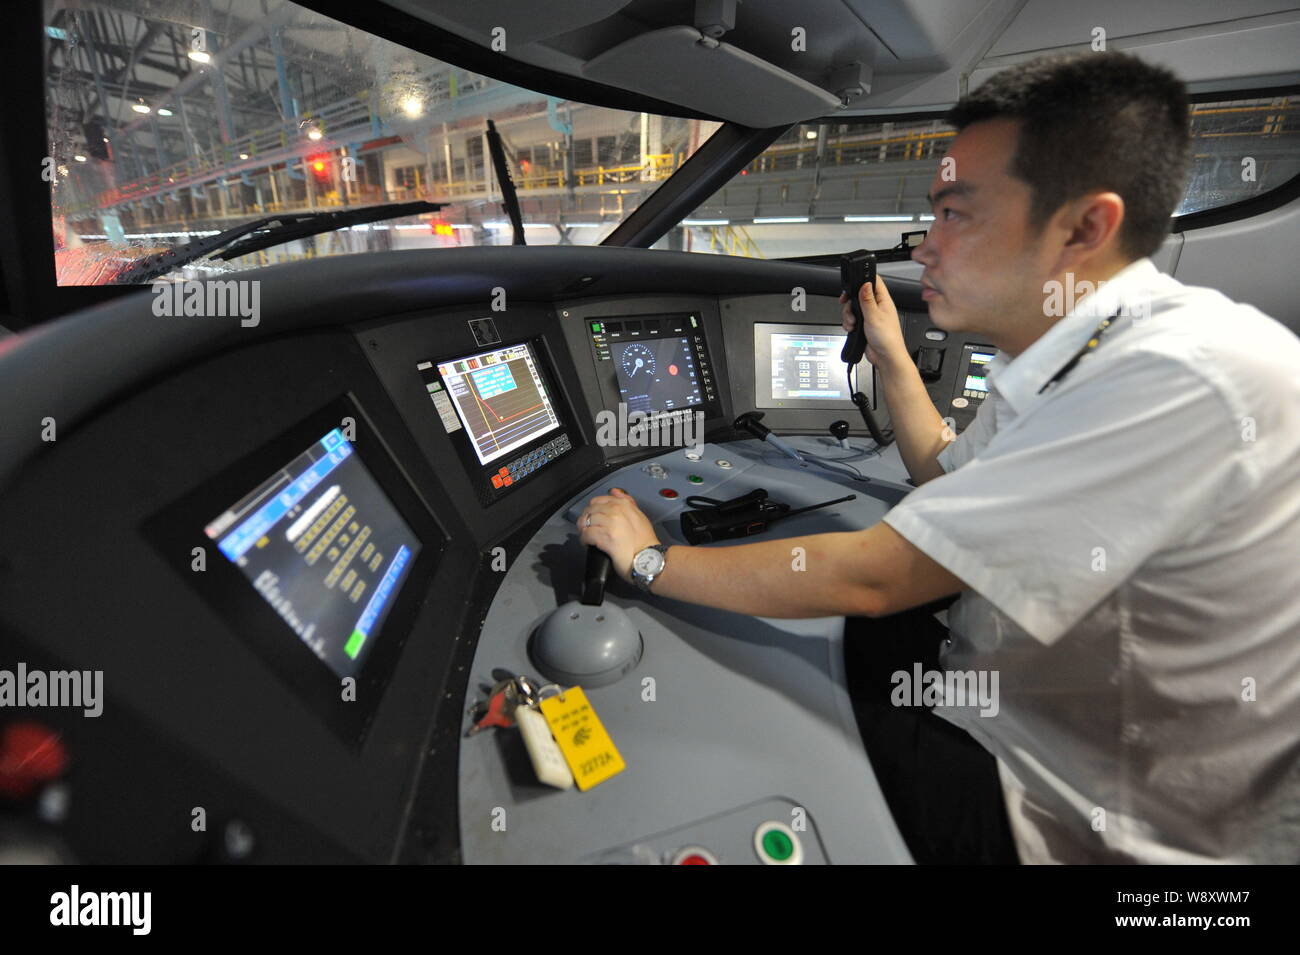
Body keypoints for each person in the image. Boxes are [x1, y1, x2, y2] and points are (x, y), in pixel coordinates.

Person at [578, 50, 1300, 864]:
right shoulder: (1084, 349)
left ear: (1084, 228)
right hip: (1008, 687)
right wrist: (888, 355)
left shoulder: (1179, 378)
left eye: (957, 214)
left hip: (1070, 815)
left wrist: (648, 562)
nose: (924, 247)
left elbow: (877, 575)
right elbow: (944, 470)